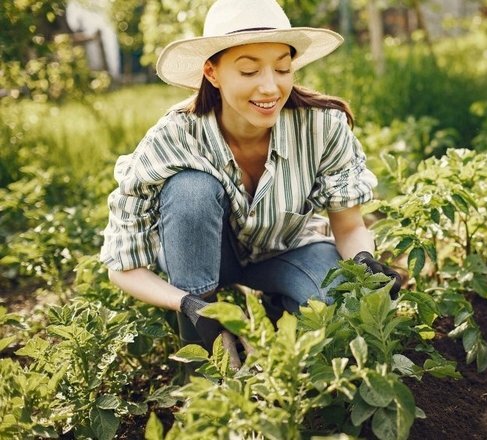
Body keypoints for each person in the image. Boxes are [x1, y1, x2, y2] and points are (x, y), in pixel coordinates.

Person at [99, 0, 401, 353]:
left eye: (282, 68)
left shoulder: (321, 127)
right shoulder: (175, 136)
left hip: (286, 249)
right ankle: (206, 346)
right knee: (190, 189)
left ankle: (278, 313)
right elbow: (122, 267)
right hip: (200, 258)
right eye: (248, 71)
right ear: (212, 73)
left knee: (338, 310)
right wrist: (189, 304)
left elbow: (349, 228)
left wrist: (364, 263)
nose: (270, 88)